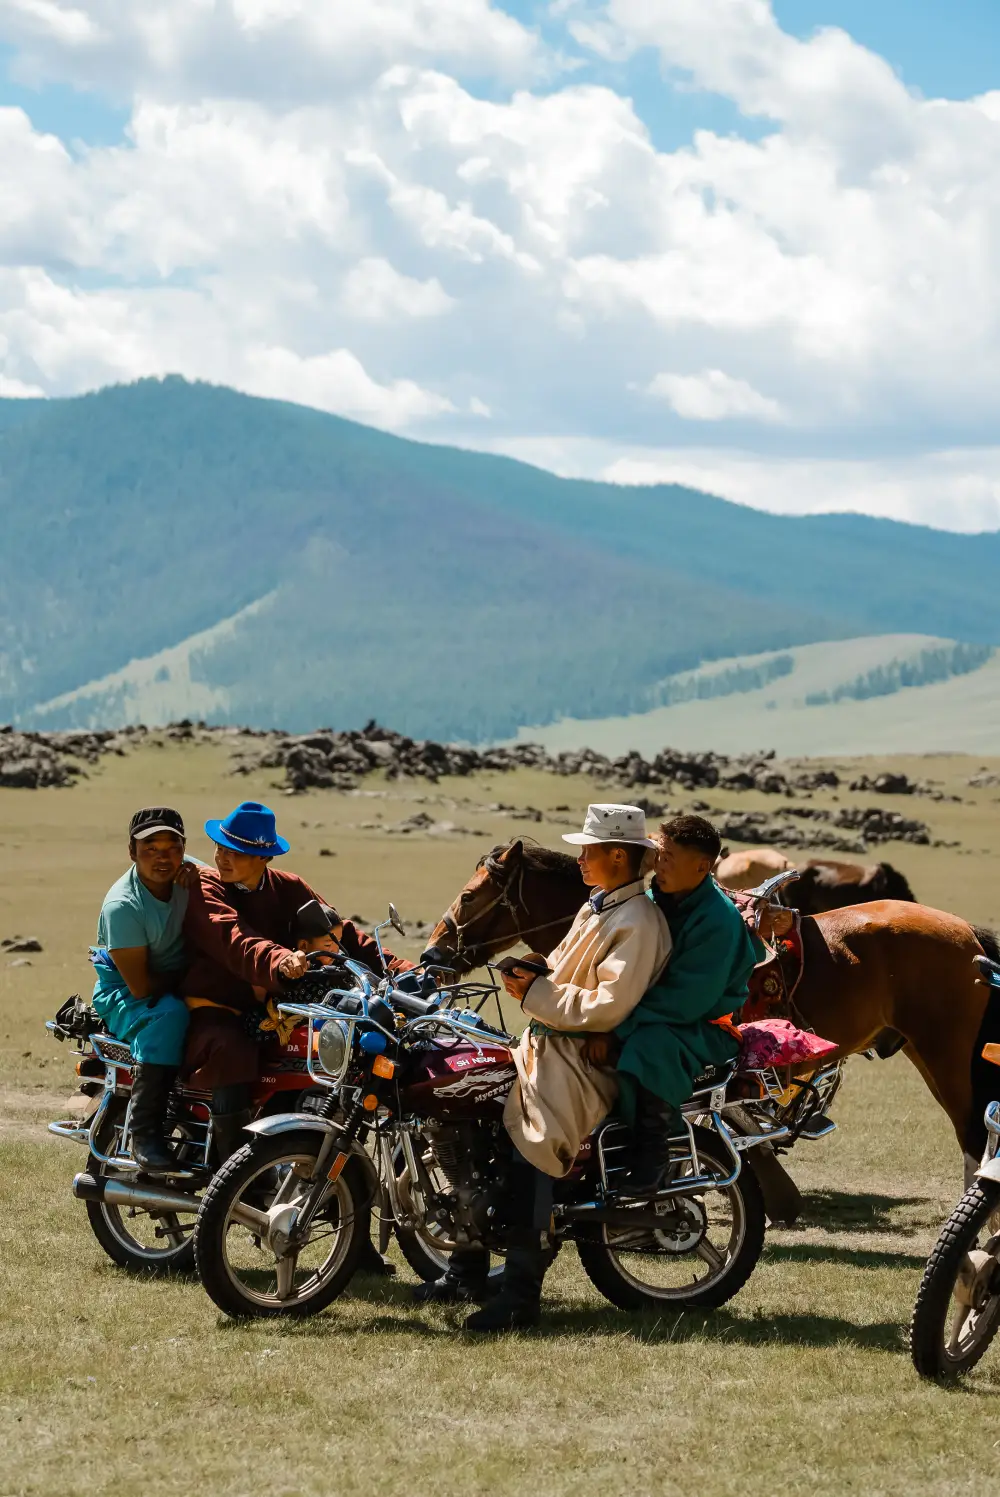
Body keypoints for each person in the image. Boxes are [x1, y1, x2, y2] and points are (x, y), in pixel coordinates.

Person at [460, 803, 672, 1332]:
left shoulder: (639, 920)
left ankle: (521, 1295)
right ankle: (467, 1267)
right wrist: (533, 971)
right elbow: (561, 969)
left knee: (534, 1141)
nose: (579, 858)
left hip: (579, 1058)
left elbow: (607, 1006)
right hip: (550, 1044)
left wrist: (533, 990)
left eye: (588, 850)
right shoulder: (599, 906)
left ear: (618, 855)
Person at [180, 800, 409, 1164]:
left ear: (263, 858)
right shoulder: (205, 886)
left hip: (277, 1007)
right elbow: (235, 939)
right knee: (230, 1049)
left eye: (235, 852)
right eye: (220, 848)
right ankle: (232, 1169)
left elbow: (340, 935)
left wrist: (403, 971)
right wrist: (280, 959)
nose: (222, 858)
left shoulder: (289, 887)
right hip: (217, 1006)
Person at [614, 814, 763, 1196]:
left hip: (702, 1028)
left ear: (701, 866)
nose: (659, 865)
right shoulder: (657, 900)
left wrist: (616, 1022)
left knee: (649, 1047)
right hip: (658, 1016)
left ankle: (654, 1155)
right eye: (658, 855)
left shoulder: (718, 920)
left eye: (668, 858)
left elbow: (686, 1000)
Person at [90, 807, 197, 1172]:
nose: (162, 857)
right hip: (127, 991)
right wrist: (199, 981)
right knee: (171, 1015)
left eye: (171, 847)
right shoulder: (123, 906)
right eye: (150, 848)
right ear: (132, 852)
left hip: (183, 977)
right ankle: (144, 1132)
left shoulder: (194, 876)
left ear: (184, 849)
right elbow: (141, 986)